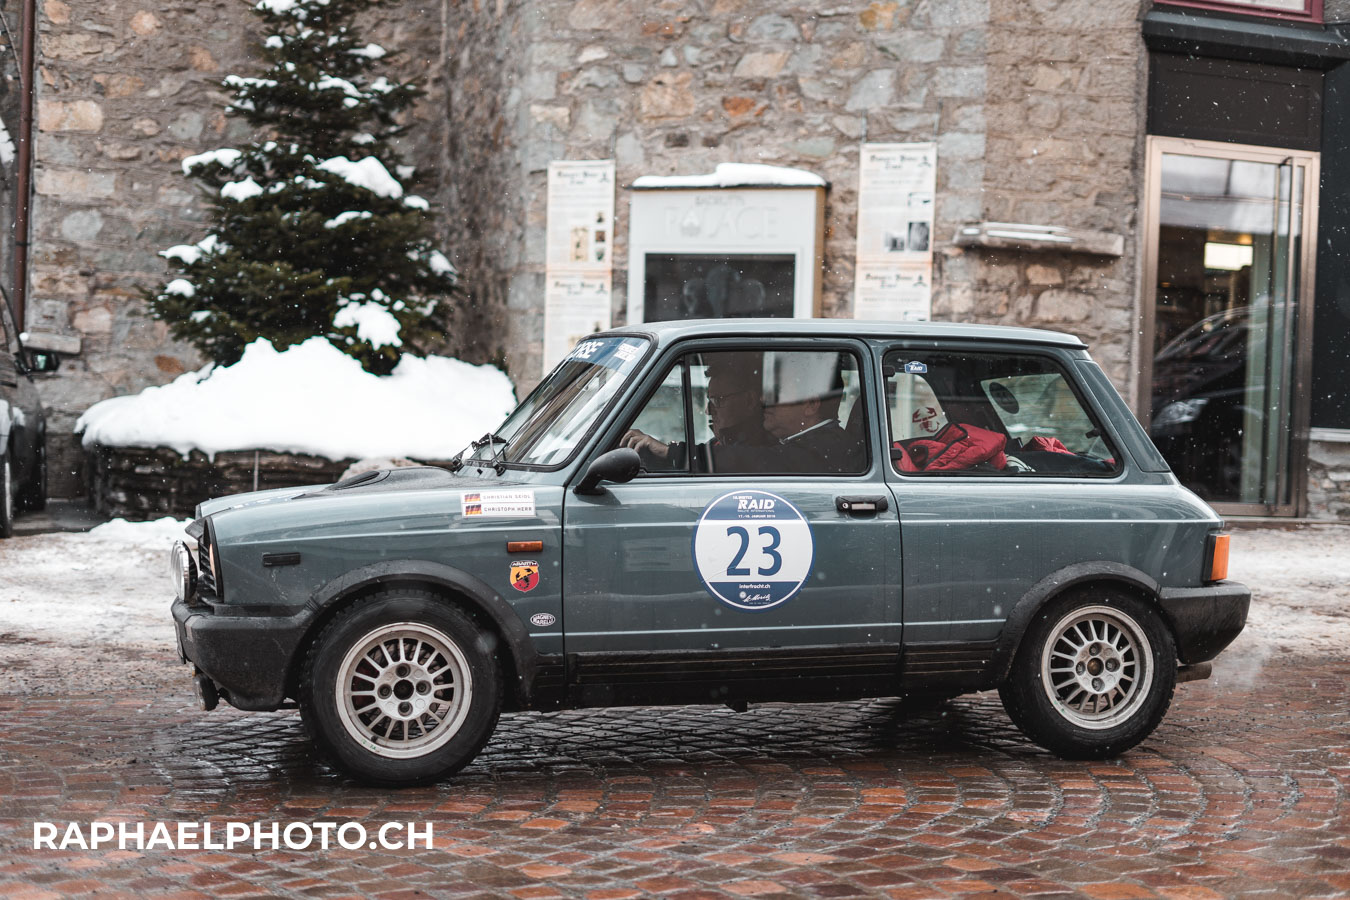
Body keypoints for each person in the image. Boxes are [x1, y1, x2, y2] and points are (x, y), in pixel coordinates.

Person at [622, 354, 790, 473]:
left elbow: (735, 460)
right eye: (709, 400)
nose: (708, 410)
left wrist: (669, 451)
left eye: (718, 400)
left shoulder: (766, 449)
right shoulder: (717, 446)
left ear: (750, 400)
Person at [763, 356, 866, 473]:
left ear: (811, 404)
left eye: (776, 393)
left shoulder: (814, 454)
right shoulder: (830, 445)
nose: (763, 399)